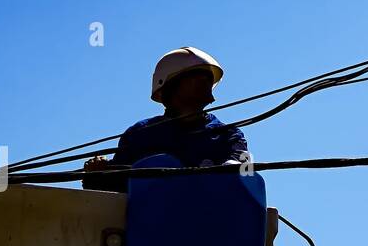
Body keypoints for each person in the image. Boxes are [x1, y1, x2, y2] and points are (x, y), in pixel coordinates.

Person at [82, 47, 249, 192]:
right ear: (167, 89)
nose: (205, 81)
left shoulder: (229, 135)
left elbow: (245, 173)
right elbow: (114, 190)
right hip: (153, 222)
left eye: (207, 77)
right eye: (195, 75)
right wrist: (97, 174)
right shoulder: (139, 135)